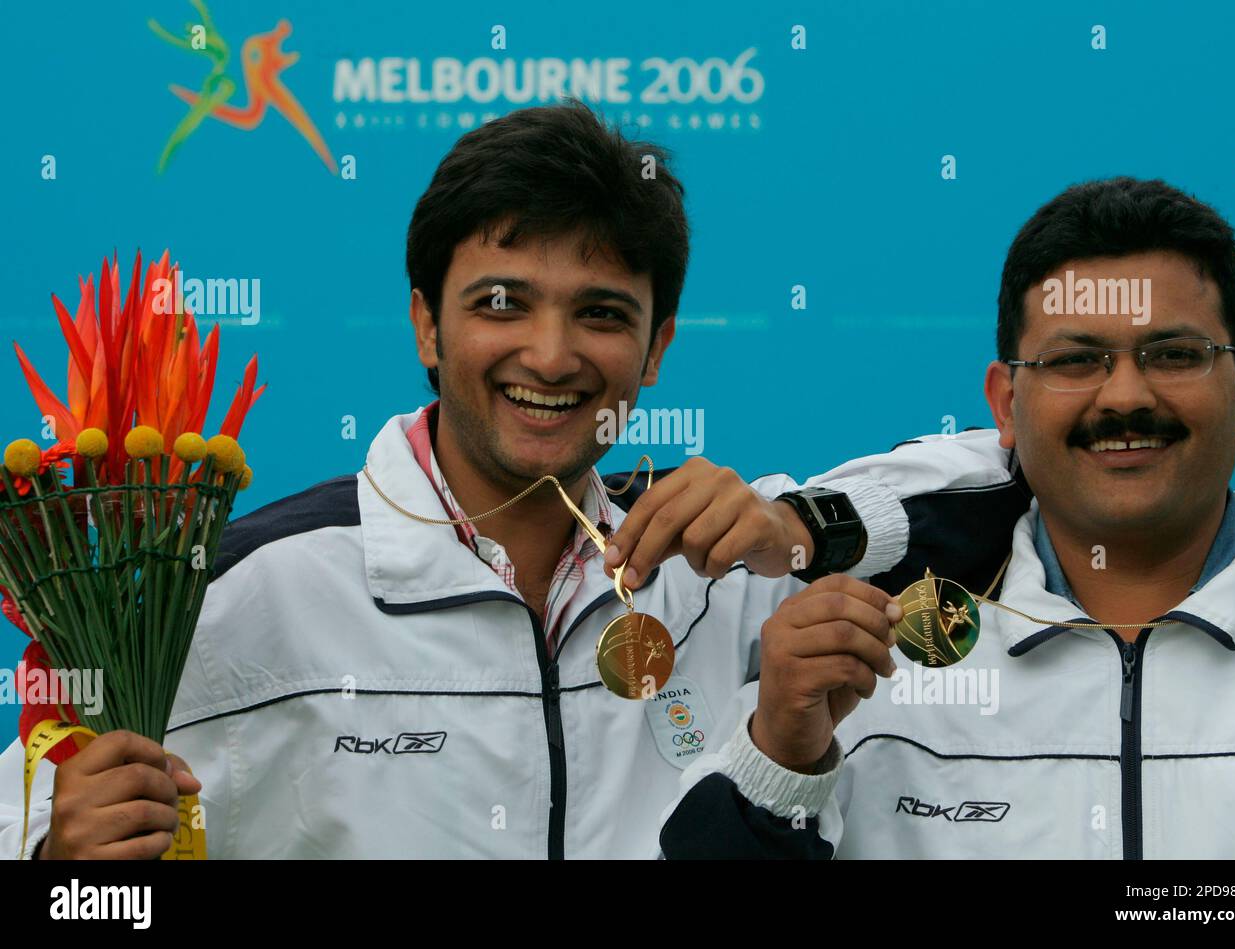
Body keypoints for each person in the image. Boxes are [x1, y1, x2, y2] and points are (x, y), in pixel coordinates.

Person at [0, 101, 1019, 859]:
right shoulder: (233, 588)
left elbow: (1023, 470)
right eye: (501, 301)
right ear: (423, 324)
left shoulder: (720, 565)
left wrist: (790, 526)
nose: (550, 353)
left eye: (601, 314)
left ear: (656, 347)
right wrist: (63, 868)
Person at [659, 177, 1235, 860]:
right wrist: (780, 762)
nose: (1124, 395)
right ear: (1005, 401)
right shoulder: (870, 665)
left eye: (1173, 355)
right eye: (1076, 360)